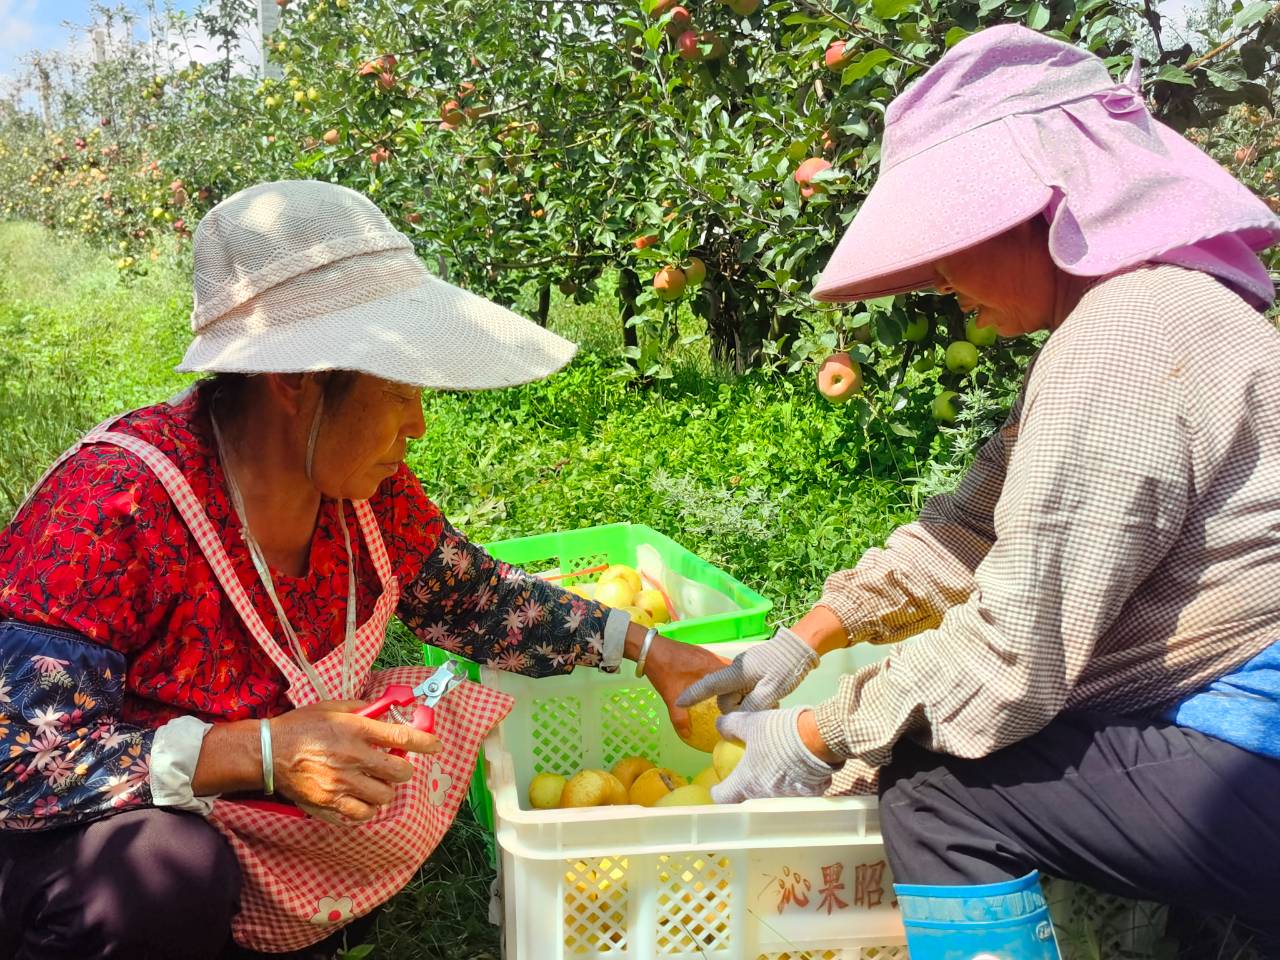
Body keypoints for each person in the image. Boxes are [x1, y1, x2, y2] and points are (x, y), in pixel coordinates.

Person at [0, 179, 724, 960]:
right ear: (296, 381)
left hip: (241, 812)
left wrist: (648, 650)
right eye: (399, 392)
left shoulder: (364, 498)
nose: (415, 424)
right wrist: (262, 752)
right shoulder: (111, 510)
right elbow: (22, 760)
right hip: (79, 835)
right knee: (161, 877)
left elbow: (475, 601)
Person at [680, 24, 1280, 959]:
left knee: (934, 789)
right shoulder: (1135, 313)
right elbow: (972, 526)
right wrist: (804, 641)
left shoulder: (1126, 342)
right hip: (1231, 738)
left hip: (1252, 747)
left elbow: (1012, 656)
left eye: (951, 248)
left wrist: (813, 735)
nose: (943, 286)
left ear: (1040, 212)